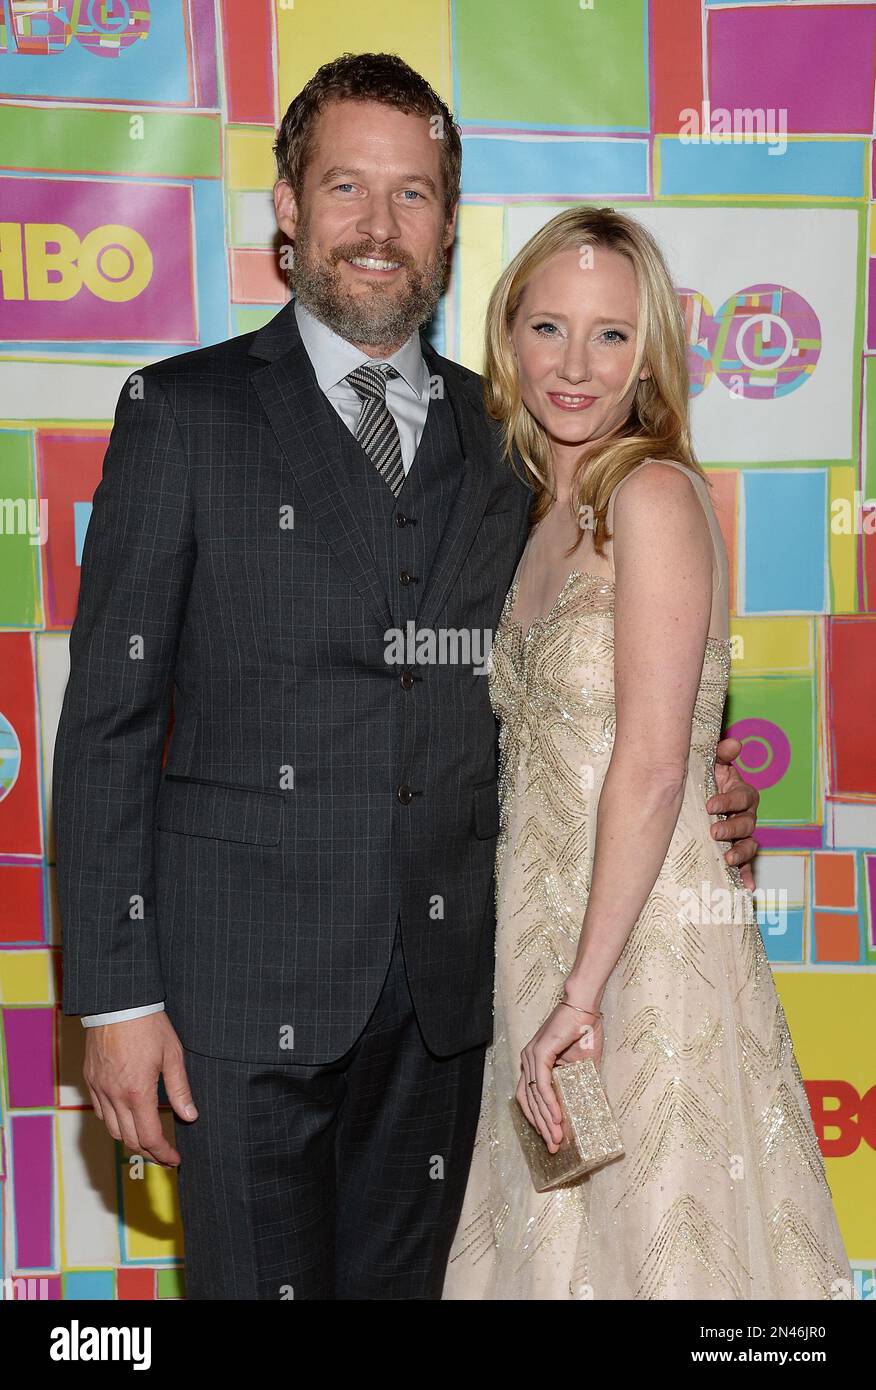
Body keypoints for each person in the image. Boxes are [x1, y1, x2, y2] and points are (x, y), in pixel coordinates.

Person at [53, 54, 759, 1301]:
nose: (380, 230)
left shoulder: (517, 444)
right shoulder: (183, 411)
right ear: (285, 207)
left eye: (415, 196)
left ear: (449, 224)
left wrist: (696, 801)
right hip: (233, 994)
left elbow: (592, 673)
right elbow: (105, 718)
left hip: (453, 1005)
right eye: (346, 190)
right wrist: (113, 998)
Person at [442, 206, 853, 1300]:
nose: (575, 365)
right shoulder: (536, 517)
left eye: (612, 335)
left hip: (638, 955)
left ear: (654, 355)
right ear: (508, 335)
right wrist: (551, 989)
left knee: (667, 1247)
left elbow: (658, 764)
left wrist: (582, 992)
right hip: (540, 954)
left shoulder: (655, 496)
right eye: (549, 327)